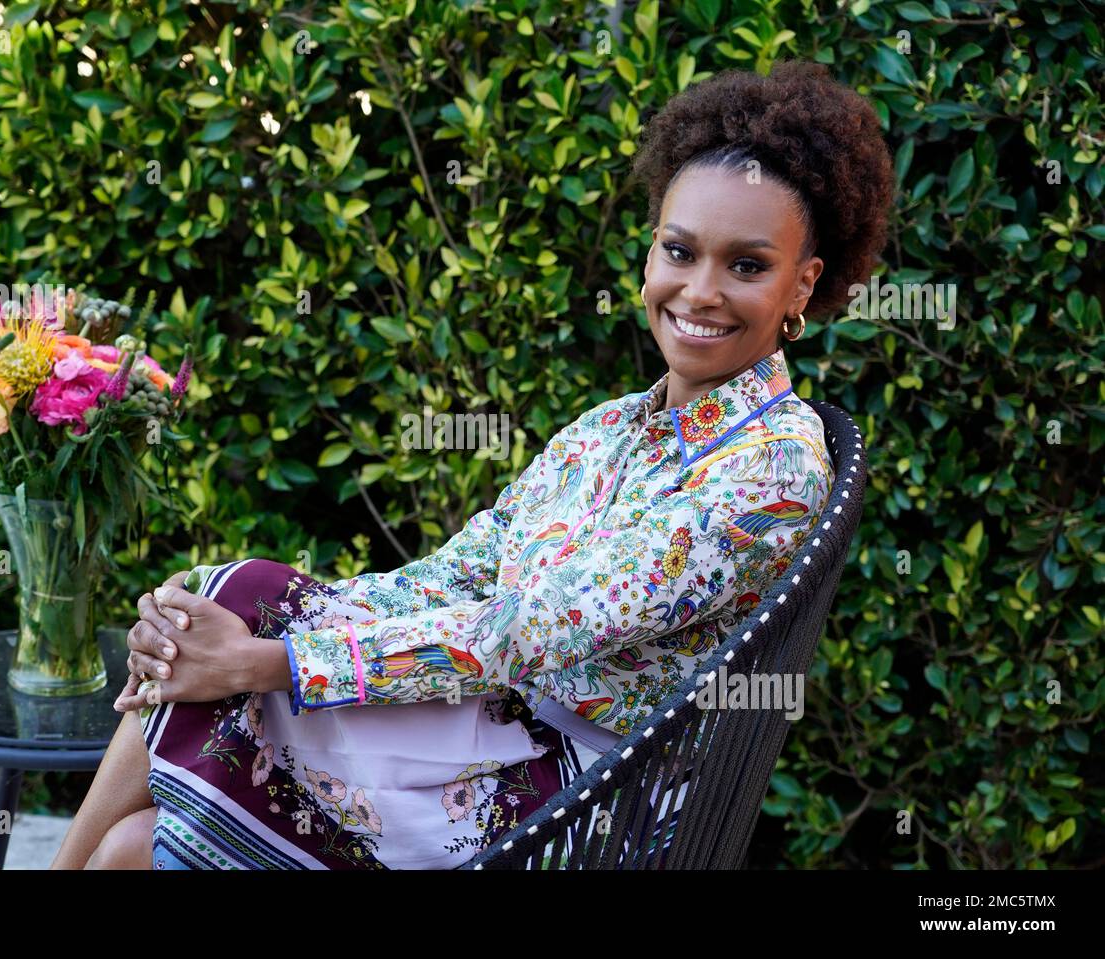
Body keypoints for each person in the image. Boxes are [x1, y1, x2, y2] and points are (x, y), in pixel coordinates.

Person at [51, 59, 893, 870]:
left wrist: (267, 661)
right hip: (485, 723)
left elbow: (534, 625)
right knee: (225, 606)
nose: (700, 290)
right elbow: (460, 575)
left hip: (571, 805)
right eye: (679, 251)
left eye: (746, 265)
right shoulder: (612, 428)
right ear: (649, 256)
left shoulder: (772, 468)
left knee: (225, 668)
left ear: (802, 286)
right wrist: (210, 616)